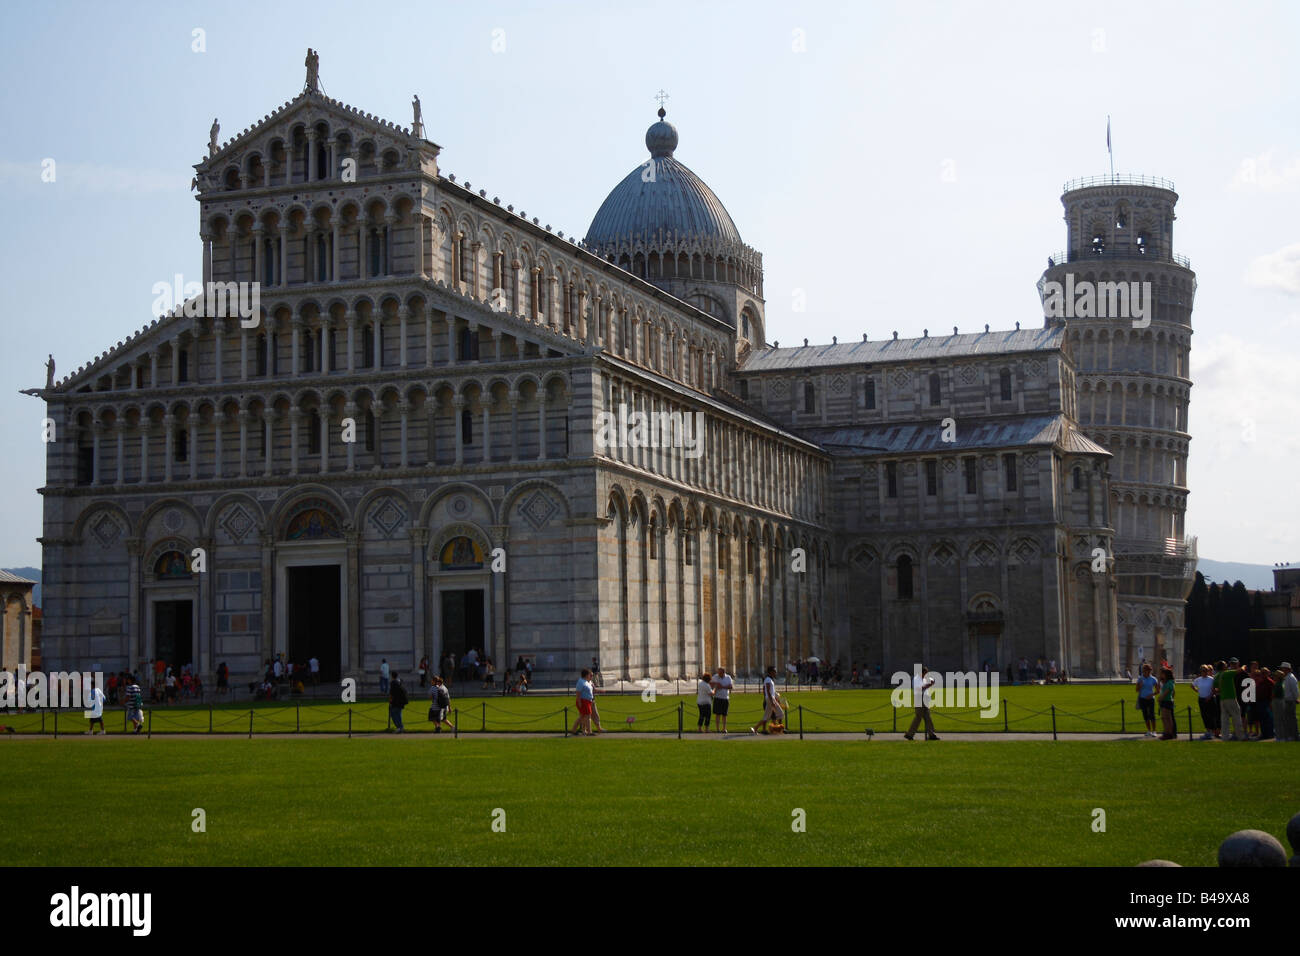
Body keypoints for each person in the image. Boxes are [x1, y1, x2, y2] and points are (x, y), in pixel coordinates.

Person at [903, 665, 940, 741]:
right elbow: (919, 689)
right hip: (919, 699)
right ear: (921, 673)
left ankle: (931, 735)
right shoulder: (916, 679)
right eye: (926, 673)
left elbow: (932, 680)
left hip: (925, 699)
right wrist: (929, 685)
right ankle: (910, 734)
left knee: (928, 718)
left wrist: (932, 681)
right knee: (918, 718)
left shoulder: (924, 678)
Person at [1215, 658, 1246, 741]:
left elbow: (1215, 689)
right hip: (1231, 698)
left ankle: (1225, 737)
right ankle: (1240, 736)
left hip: (1222, 699)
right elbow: (1240, 670)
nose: (1227, 665)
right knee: (1236, 717)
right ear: (1223, 667)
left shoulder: (1217, 675)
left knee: (1224, 720)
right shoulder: (1227, 673)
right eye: (1225, 664)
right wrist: (1243, 666)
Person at [750, 666, 783, 734]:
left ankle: (755, 728)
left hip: (770, 699)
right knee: (780, 713)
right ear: (770, 672)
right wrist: (772, 701)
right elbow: (768, 691)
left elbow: (770, 691)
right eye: (774, 671)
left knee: (767, 717)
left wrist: (775, 697)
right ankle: (776, 729)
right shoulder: (768, 679)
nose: (775, 673)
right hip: (770, 699)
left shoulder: (770, 679)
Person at [1192, 664, 1218, 739]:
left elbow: (1214, 690)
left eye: (1206, 670)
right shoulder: (1198, 679)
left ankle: (1213, 731)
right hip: (1201, 699)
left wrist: (1209, 696)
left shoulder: (1211, 679)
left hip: (1210, 699)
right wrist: (1196, 690)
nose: (1204, 672)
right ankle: (1208, 731)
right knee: (1204, 716)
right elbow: (1192, 685)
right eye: (1203, 671)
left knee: (1212, 716)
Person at [1135, 663, 1159, 737]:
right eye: (1145, 670)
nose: (1146, 672)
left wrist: (1151, 695)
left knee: (1152, 715)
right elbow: (1136, 690)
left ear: (1150, 671)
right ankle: (1149, 730)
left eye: (1148, 670)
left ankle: (1154, 731)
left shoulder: (1154, 679)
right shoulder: (1140, 679)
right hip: (1142, 699)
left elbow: (1158, 691)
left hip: (1151, 699)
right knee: (1145, 715)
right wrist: (1140, 685)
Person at [1278, 662, 1298, 742]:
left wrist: (1295, 699)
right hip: (1286, 701)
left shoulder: (1291, 678)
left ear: (1287, 669)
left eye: (1282, 668)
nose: (1281, 670)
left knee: (1291, 720)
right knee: (1287, 720)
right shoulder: (1286, 677)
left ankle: (1293, 736)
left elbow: (1295, 691)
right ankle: (1290, 735)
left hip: (1290, 701)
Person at [710, 667, 734, 733]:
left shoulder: (728, 677)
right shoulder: (715, 676)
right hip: (717, 697)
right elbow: (710, 684)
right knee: (717, 714)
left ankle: (724, 728)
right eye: (718, 672)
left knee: (724, 715)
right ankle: (717, 729)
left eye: (720, 673)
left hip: (725, 698)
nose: (719, 674)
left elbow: (731, 687)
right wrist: (716, 684)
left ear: (723, 672)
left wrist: (722, 687)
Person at [573, 669, 595, 736]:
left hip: (587, 701)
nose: (590, 676)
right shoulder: (581, 682)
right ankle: (589, 731)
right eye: (589, 674)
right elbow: (578, 693)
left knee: (582, 716)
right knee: (587, 716)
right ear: (586, 675)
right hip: (583, 701)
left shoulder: (586, 681)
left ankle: (579, 730)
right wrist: (579, 702)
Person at [1157, 667, 1177, 740]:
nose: (1161, 675)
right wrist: (1159, 680)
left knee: (1168, 718)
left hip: (1167, 701)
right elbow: (1160, 689)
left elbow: (1168, 691)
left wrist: (1160, 698)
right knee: (1164, 718)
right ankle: (1166, 732)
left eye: (1162, 674)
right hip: (1164, 701)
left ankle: (1169, 733)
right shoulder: (1165, 682)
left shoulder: (1170, 682)